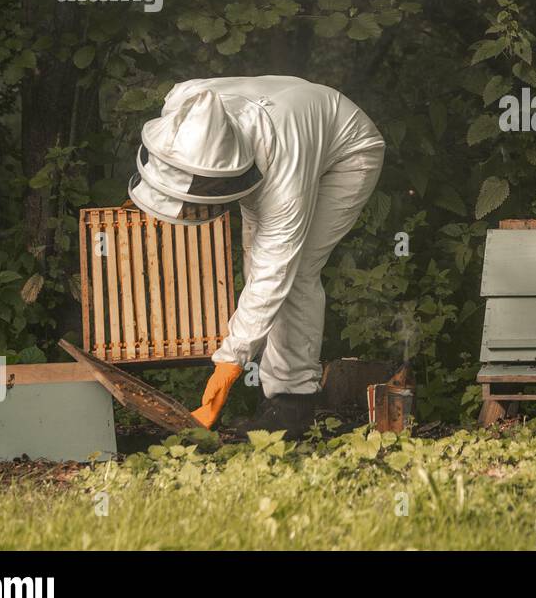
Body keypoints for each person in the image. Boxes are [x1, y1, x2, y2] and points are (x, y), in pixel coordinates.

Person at [126, 75, 384, 439]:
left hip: (345, 152)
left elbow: (274, 270)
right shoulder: (187, 102)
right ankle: (275, 399)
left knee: (295, 272)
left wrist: (230, 360)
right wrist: (160, 186)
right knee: (256, 264)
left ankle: (292, 404)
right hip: (287, 131)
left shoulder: (283, 178)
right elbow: (179, 137)